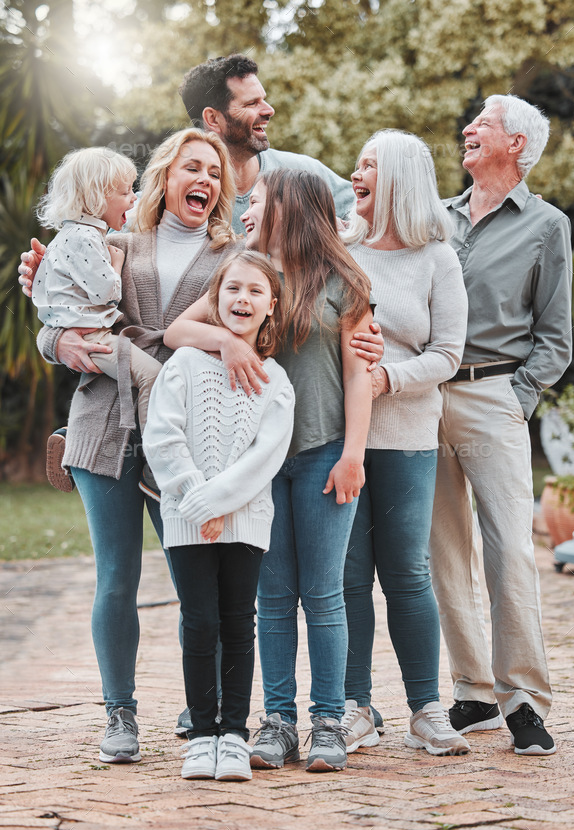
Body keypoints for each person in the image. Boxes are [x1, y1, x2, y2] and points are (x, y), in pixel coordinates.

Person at [19, 127, 242, 762]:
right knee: (116, 578)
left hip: (187, 432)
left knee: (195, 577)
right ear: (164, 177)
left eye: (215, 173)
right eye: (192, 167)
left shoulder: (234, 255)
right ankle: (120, 713)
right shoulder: (113, 241)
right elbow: (58, 314)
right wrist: (55, 341)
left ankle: (203, 703)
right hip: (103, 424)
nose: (204, 180)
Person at [164, 169, 375, 772]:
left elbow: (358, 372)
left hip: (323, 453)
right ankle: (278, 721)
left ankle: (329, 722)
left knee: (324, 593)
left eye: (257, 200)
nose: (247, 209)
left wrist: (354, 454)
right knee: (273, 597)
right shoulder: (249, 273)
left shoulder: (346, 282)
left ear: (288, 207)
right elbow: (178, 330)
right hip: (255, 463)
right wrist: (227, 342)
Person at [429, 94, 572, 756]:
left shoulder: (546, 225)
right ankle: (474, 691)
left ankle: (524, 700)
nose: (468, 129)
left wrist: (516, 398)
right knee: (443, 549)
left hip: (494, 395)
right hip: (424, 396)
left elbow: (555, 336)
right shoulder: (436, 218)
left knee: (510, 548)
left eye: (482, 123)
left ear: (516, 143)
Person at [339, 129, 470, 757]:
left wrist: (386, 377)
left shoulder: (437, 258)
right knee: (347, 577)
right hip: (341, 437)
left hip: (408, 435)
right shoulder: (340, 249)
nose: (354, 174)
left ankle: (426, 709)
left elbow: (447, 354)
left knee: (407, 572)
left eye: (368, 165)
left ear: (397, 179)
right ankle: (355, 708)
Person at [143, 250, 295, 781]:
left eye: (255, 291)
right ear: (215, 299)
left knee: (237, 622)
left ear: (271, 306)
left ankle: (233, 734)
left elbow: (265, 456)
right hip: (186, 520)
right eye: (233, 288)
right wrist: (195, 500)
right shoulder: (183, 365)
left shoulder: (276, 381)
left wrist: (217, 505)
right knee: (199, 622)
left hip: (245, 521)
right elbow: (163, 436)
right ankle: (201, 735)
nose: (242, 299)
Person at [31, 147, 161, 439]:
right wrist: (116, 263)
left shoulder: (69, 235)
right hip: (94, 338)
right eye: (126, 192)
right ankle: (156, 454)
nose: (134, 198)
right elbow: (106, 293)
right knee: (153, 377)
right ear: (96, 197)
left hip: (87, 334)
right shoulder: (85, 238)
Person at [178, 54, 354, 232]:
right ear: (213, 119)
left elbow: (365, 210)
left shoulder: (303, 172)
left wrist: (338, 234)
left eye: (263, 99)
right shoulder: (185, 198)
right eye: (251, 103)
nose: (269, 110)